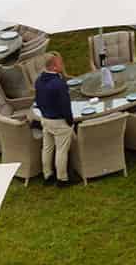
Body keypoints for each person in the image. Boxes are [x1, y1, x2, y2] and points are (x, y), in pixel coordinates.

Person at [36, 52, 76, 184]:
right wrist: (70, 122)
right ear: (53, 67)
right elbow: (65, 106)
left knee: (47, 148)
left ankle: (47, 175)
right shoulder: (59, 83)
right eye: (60, 63)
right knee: (61, 150)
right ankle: (62, 179)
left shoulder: (39, 80)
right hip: (59, 122)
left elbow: (38, 101)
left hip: (45, 119)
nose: (62, 65)